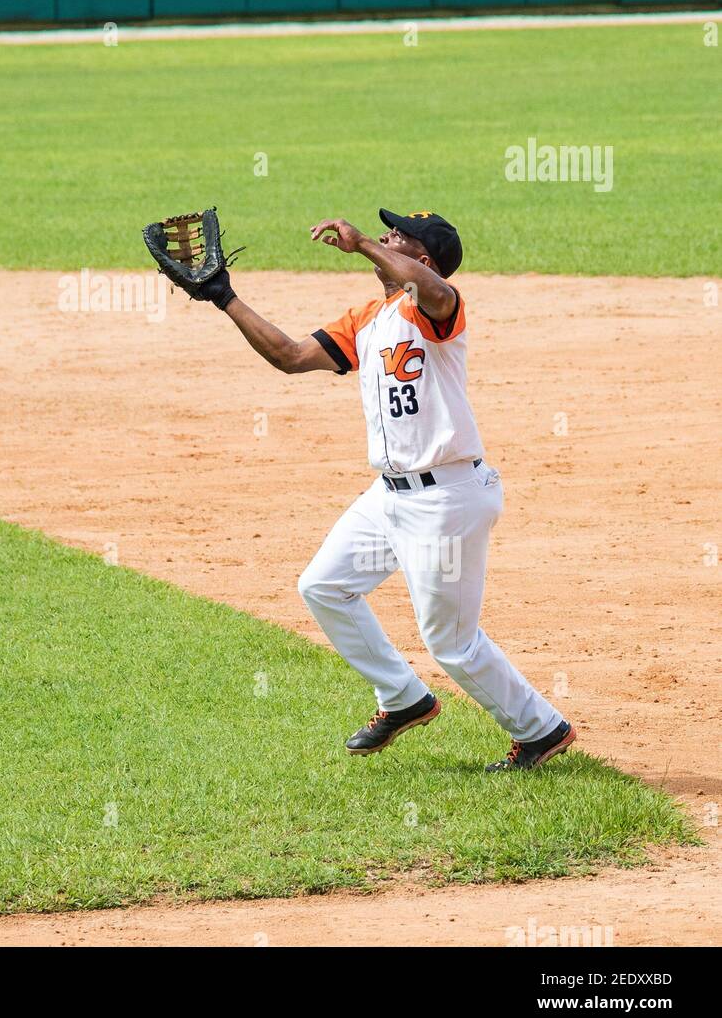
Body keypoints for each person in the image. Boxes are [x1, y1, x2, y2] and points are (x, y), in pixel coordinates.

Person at [194, 208, 576, 772]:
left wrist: (367, 246)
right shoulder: (369, 318)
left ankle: (540, 728)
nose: (386, 238)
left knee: (451, 642)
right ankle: (403, 698)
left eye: (398, 236)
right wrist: (224, 296)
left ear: (421, 259)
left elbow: (433, 288)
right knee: (324, 586)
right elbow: (290, 356)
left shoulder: (437, 310)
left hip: (446, 499)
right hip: (389, 497)